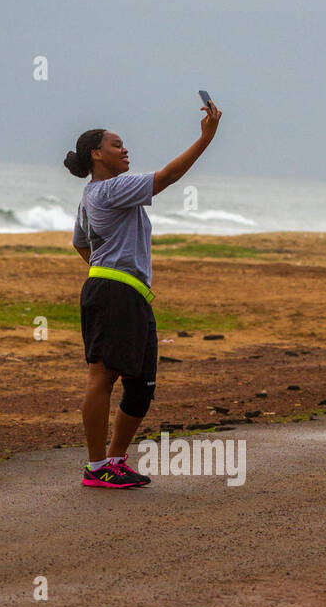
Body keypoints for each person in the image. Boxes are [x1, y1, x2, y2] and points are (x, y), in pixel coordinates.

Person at [66, 99, 222, 488]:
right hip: (114, 292)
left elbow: (80, 244)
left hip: (126, 292)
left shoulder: (92, 198)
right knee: (102, 377)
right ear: (96, 154)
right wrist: (206, 138)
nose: (125, 149)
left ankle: (116, 460)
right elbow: (168, 175)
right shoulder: (110, 189)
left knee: (141, 384)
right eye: (117, 145)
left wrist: (101, 267)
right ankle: (97, 466)